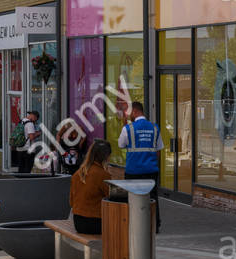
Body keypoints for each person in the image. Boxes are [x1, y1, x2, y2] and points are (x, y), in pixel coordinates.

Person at [118, 100, 164, 232]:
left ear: (135, 111)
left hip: (133, 170)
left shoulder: (128, 128)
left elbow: (121, 144)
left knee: (133, 198)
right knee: (153, 198)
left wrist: (124, 124)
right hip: (151, 170)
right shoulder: (155, 128)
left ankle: (135, 225)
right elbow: (158, 150)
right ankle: (155, 225)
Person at [69, 140, 112, 234]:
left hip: (78, 222)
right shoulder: (103, 175)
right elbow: (111, 197)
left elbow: (71, 202)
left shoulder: (78, 173)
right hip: (94, 223)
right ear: (106, 157)